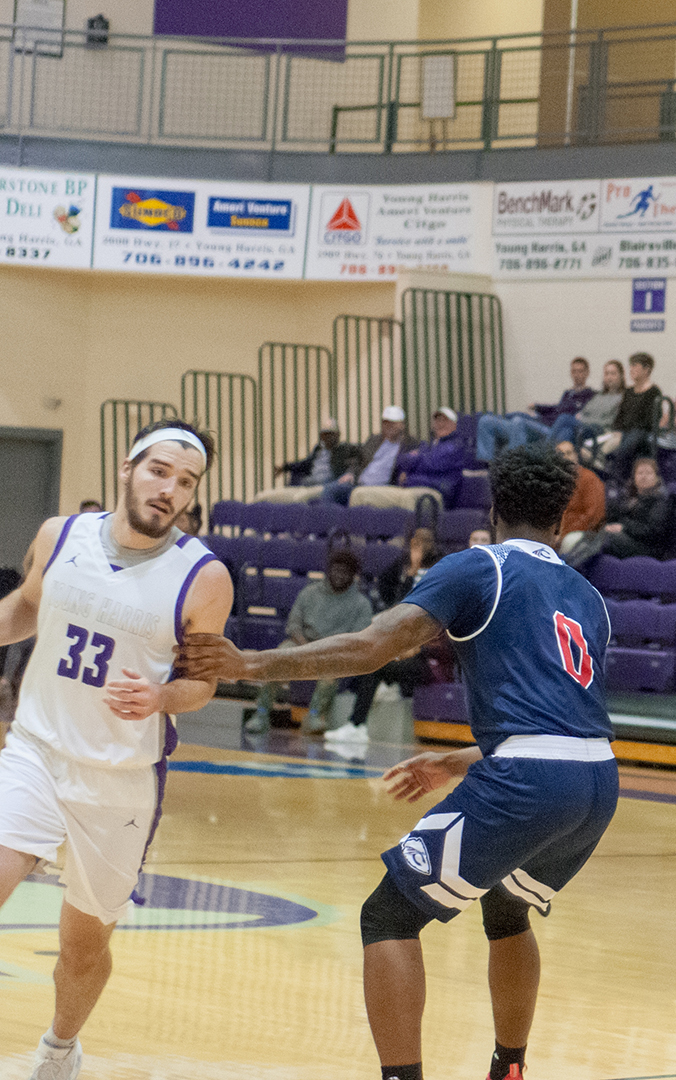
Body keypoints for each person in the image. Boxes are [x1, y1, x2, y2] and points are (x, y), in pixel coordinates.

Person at [186, 445, 622, 1080]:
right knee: (506, 906)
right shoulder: (588, 596)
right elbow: (568, 722)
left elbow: (372, 646)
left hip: (530, 780)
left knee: (388, 913)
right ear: (561, 523)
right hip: (597, 781)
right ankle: (511, 1069)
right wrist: (462, 759)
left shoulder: (479, 567)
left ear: (494, 510)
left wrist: (249, 664)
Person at [0, 422, 229, 1079]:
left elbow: (202, 683)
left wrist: (161, 698)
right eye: (160, 471)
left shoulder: (204, 577)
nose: (171, 490)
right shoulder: (59, 536)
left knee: (82, 945)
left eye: (186, 482)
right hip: (37, 750)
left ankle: (60, 1049)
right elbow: (27, 607)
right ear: (127, 468)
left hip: (123, 780)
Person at [249, 548, 375, 738]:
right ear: (328, 570)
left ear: (353, 575)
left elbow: (357, 640)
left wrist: (324, 651)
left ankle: (315, 716)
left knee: (334, 669)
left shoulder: (361, 604)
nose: (339, 575)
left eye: (345, 572)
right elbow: (293, 624)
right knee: (277, 657)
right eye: (336, 570)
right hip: (302, 645)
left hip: (335, 654)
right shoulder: (309, 592)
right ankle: (261, 713)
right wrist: (305, 646)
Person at [348, 407, 471, 511]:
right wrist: (416, 462)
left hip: (437, 494)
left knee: (409, 499)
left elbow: (431, 465)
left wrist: (410, 476)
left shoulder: (455, 446)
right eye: (437, 420)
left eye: (445, 421)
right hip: (412, 488)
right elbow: (402, 461)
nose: (440, 424)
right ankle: (356, 538)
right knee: (359, 494)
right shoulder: (428, 445)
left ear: (454, 425)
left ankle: (405, 538)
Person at [475, 357, 597, 461]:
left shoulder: (590, 395)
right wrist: (537, 407)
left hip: (550, 430)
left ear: (587, 373)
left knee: (519, 421)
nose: (577, 375)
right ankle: (484, 464)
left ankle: (514, 467)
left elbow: (576, 417)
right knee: (486, 420)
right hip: (539, 421)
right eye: (574, 371)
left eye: (580, 371)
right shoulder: (568, 393)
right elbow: (556, 408)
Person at [319, 407, 423, 508]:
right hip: (359, 482)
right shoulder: (374, 440)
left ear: (402, 425)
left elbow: (413, 463)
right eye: (386, 422)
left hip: (384, 486)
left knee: (356, 495)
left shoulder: (409, 444)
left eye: (393, 422)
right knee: (330, 490)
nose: (389, 426)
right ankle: (330, 524)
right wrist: (351, 473)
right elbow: (358, 460)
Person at [592, 457, 676, 561]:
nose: (644, 477)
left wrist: (623, 527)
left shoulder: (664, 500)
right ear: (634, 478)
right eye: (640, 473)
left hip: (652, 549)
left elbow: (652, 532)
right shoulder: (631, 498)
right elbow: (616, 513)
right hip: (633, 540)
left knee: (606, 538)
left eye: (648, 473)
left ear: (657, 478)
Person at [259, 416, 364, 502]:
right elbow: (305, 464)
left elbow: (356, 460)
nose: (328, 437)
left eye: (331, 434)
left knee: (303, 492)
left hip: (329, 481)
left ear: (337, 435)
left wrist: (350, 472)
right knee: (293, 485)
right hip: (311, 481)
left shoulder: (344, 449)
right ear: (321, 436)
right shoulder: (318, 449)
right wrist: (286, 467)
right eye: (325, 434)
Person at [547, 360, 629, 455]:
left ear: (621, 376)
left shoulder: (623, 397)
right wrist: (582, 417)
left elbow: (609, 421)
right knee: (566, 432)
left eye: (613, 374)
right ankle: (561, 463)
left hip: (599, 430)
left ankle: (544, 453)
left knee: (564, 418)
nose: (609, 377)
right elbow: (584, 412)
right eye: (606, 374)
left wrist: (584, 418)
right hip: (584, 427)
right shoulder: (599, 396)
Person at [553, 441, 607, 554]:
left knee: (569, 541)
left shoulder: (589, 479)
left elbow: (593, 516)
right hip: (557, 534)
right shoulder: (555, 480)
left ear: (576, 455)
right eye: (561, 454)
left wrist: (563, 535)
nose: (566, 457)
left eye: (569, 453)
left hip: (584, 534)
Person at [380, 528, 441, 609]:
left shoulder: (440, 564)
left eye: (426, 541)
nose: (421, 546)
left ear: (432, 544)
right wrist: (411, 572)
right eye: (416, 543)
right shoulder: (403, 562)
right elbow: (384, 583)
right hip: (405, 610)